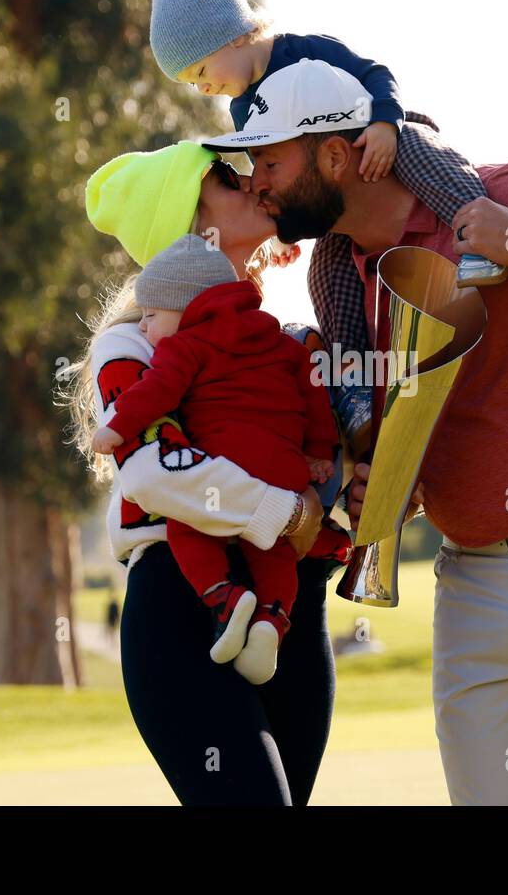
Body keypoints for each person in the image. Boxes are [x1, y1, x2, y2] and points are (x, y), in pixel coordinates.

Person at [203, 59, 508, 805]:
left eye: (271, 160)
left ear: (336, 157)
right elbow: (400, 432)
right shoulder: (337, 279)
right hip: (474, 585)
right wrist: (387, 487)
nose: (259, 180)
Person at [68, 141, 344, 805]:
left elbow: (325, 469)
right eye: (225, 175)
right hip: (184, 606)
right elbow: (154, 474)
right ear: (191, 222)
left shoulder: (287, 341)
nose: (252, 179)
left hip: (295, 607)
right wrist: (291, 514)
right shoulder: (133, 343)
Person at [147, 0, 493, 445]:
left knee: (419, 151)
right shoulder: (242, 110)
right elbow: (277, 177)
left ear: (233, 36)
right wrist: (281, 229)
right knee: (326, 273)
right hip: (333, 199)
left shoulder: (305, 51)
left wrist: (385, 123)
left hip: (376, 141)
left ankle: (482, 238)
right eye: (190, 83)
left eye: (201, 70)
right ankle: (352, 389)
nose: (202, 87)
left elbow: (375, 72)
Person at [89, 233, 344, 683]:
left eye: (151, 315)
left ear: (187, 309)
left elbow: (155, 394)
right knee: (277, 555)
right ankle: (272, 619)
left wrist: (116, 427)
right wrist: (317, 456)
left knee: (189, 528)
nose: (144, 328)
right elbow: (314, 400)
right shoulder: (282, 340)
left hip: (222, 463)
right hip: (285, 471)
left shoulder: (183, 347)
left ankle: (225, 597)